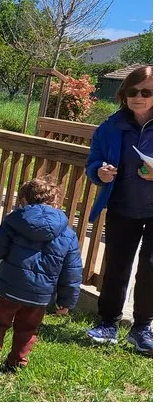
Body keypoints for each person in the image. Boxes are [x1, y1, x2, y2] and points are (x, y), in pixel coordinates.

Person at [0, 177, 83, 377]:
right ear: (57, 204)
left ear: (23, 201)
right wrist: (66, 301)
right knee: (28, 328)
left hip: (10, 286)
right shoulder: (67, 233)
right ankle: (16, 363)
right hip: (41, 293)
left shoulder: (15, 221)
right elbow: (72, 271)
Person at [84, 65, 153, 356]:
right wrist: (100, 172)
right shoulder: (109, 127)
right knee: (116, 266)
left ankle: (141, 328)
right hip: (122, 207)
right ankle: (108, 323)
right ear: (123, 95)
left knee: (152, 270)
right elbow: (92, 163)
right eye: (132, 91)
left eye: (146, 91)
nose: (138, 97)